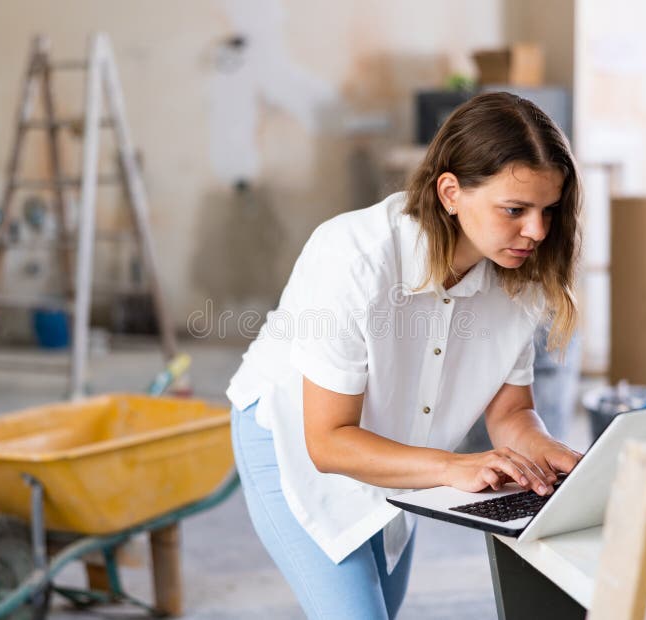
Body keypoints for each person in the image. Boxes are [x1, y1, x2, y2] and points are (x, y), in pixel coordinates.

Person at [226, 91, 584, 619]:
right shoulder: (354, 256)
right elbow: (327, 442)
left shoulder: (521, 277)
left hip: (399, 449)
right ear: (451, 192)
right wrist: (453, 467)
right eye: (515, 210)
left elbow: (511, 411)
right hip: (293, 440)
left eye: (548, 210)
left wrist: (546, 453)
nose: (537, 231)